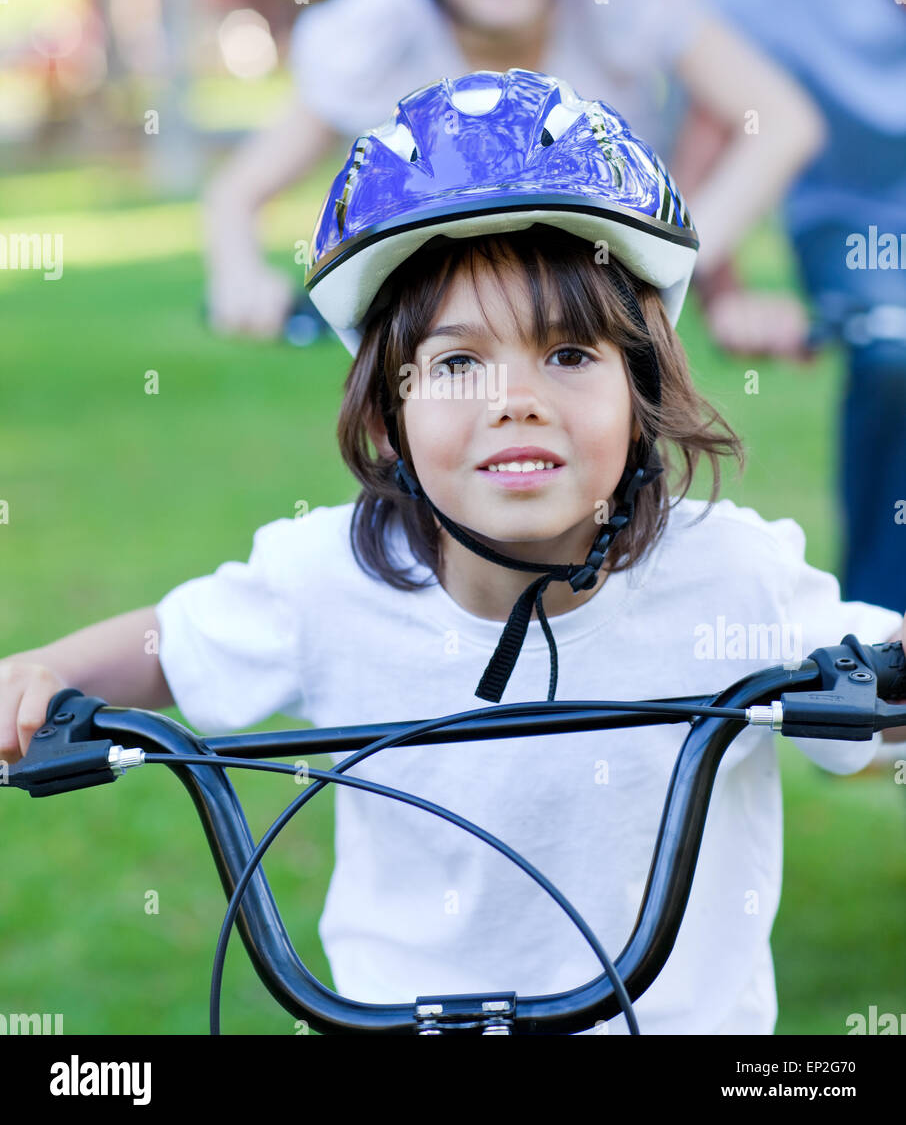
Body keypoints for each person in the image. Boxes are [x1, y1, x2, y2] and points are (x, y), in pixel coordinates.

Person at [3, 70, 904, 1034]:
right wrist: (46, 672)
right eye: (459, 361)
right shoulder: (323, 579)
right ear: (388, 413)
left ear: (641, 389)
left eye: (569, 355)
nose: (512, 398)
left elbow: (867, 697)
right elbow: (166, 648)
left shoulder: (735, 579)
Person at [203, 0, 825, 348]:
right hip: (448, 336)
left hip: (595, 321)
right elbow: (238, 192)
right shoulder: (382, 26)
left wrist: (669, 266)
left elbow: (781, 121)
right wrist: (240, 278)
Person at [673, 0, 906, 614]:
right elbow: (711, 137)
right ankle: (887, 649)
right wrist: (723, 290)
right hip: (856, 228)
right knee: (896, 355)